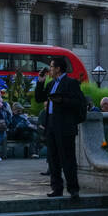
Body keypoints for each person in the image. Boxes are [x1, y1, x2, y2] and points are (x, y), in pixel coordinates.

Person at [36, 57, 84, 199]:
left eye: (51, 67)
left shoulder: (71, 83)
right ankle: (56, 188)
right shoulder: (51, 84)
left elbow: (78, 102)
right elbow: (39, 98)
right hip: (51, 125)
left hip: (65, 126)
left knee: (68, 158)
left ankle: (73, 189)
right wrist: (41, 81)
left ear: (58, 69)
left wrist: (62, 100)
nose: (49, 69)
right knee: (53, 159)